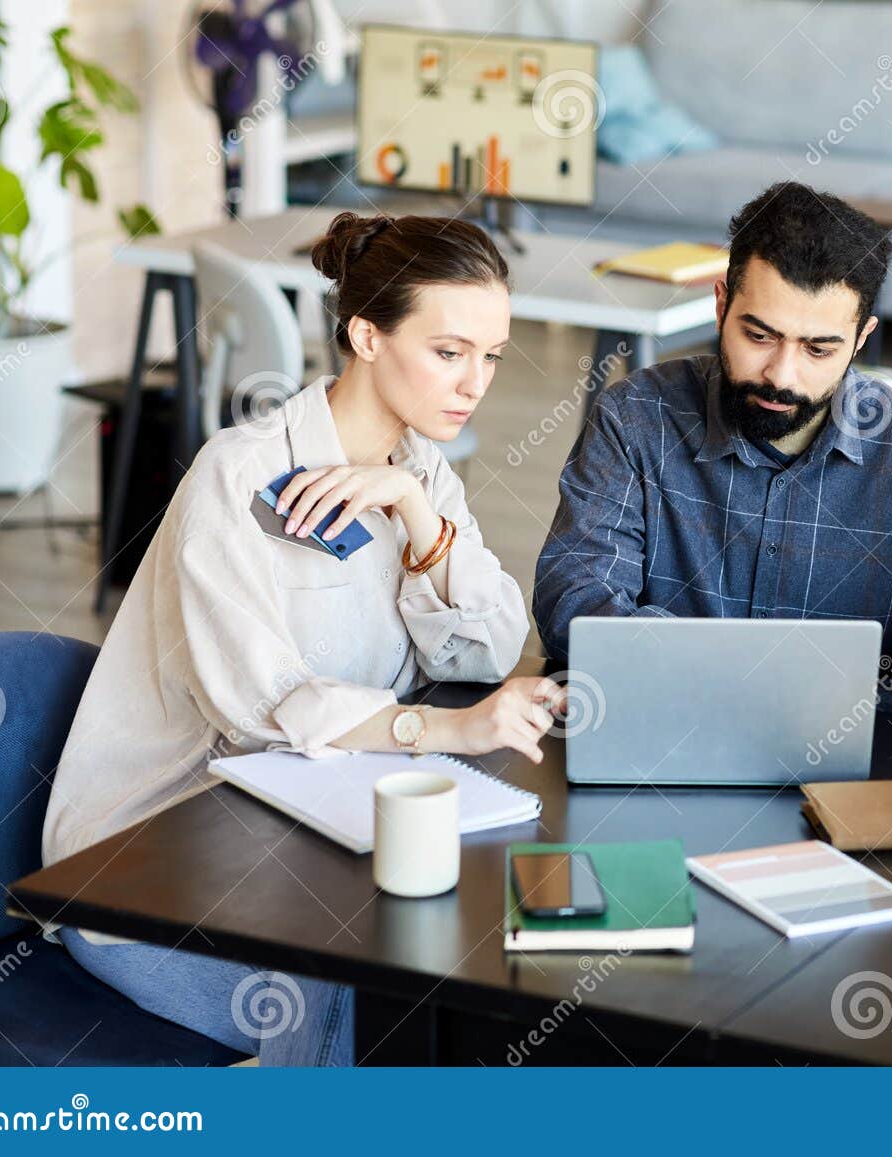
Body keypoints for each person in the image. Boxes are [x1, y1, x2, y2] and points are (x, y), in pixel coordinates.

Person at [42, 212, 560, 1065]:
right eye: (448, 351)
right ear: (365, 334)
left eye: (491, 356)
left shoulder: (422, 471)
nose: (476, 383)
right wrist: (445, 730)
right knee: (357, 990)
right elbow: (267, 709)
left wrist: (418, 510)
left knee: (474, 956)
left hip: (306, 833)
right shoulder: (237, 477)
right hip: (143, 866)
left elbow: (488, 650)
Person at [533, 182, 892, 716]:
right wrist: (757, 692)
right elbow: (573, 602)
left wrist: (820, 710)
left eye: (819, 349)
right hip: (660, 739)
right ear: (721, 305)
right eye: (759, 337)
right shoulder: (634, 419)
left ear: (861, 338)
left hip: (850, 768)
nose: (782, 374)